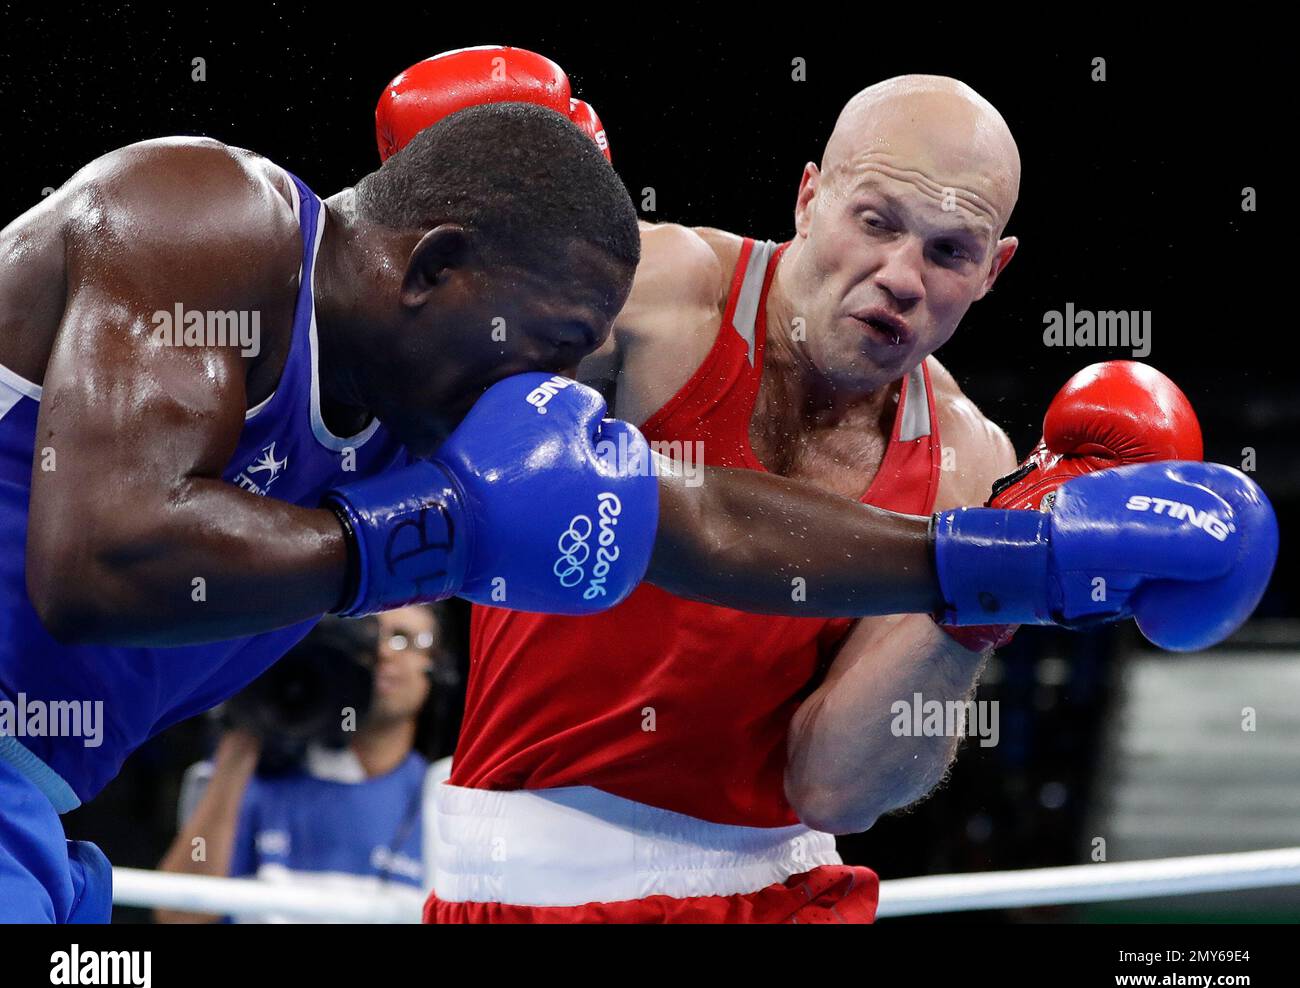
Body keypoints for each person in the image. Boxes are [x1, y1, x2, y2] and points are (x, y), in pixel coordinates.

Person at [373, 51, 1277, 923]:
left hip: (786, 891)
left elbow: (838, 787)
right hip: (532, 888)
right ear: (811, 198)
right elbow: (401, 376)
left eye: (949, 251)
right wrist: (459, 228)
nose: (900, 278)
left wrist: (990, 597)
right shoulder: (656, 299)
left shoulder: (965, 461)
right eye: (876, 221)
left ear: (993, 271)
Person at [155, 607, 447, 923]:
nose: (382, 651)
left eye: (403, 639)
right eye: (367, 635)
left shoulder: (442, 799)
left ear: (439, 669)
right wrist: (243, 735)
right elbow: (178, 916)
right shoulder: (249, 776)